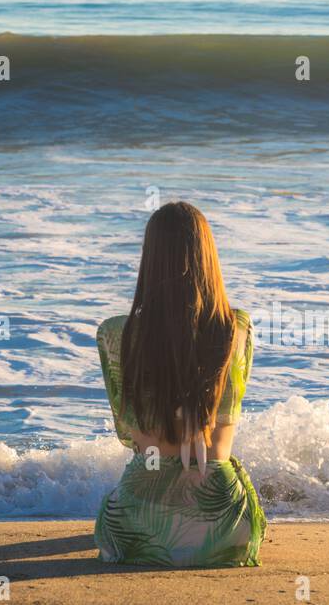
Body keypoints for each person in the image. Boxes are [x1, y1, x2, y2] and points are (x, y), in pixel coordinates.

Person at [94, 201, 265, 566]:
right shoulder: (236, 329)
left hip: (135, 522)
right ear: (208, 256)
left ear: (149, 259)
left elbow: (127, 432)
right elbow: (227, 415)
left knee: (134, 493)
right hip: (222, 527)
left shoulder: (115, 334)